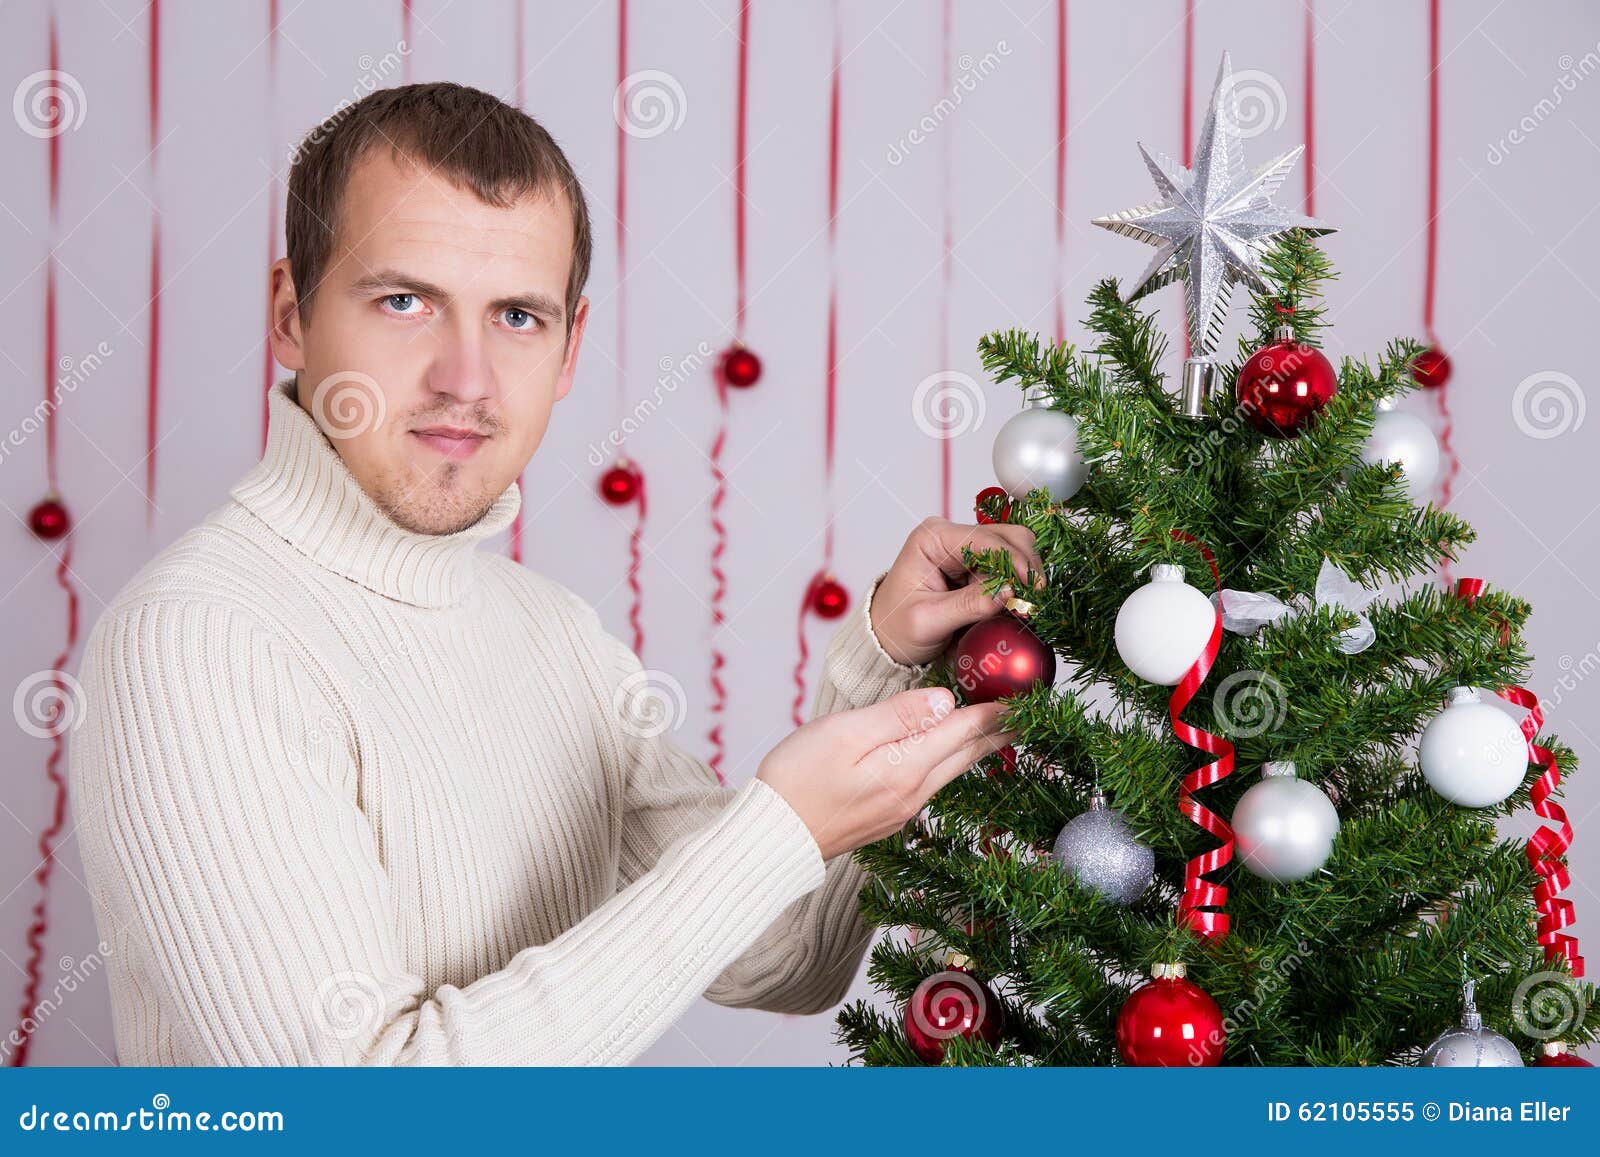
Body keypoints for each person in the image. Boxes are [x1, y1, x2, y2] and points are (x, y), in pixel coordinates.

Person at [68, 83, 1040, 1066]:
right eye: (404, 301)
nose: (466, 377)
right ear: (291, 314)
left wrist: (878, 659)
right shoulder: (198, 639)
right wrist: (776, 824)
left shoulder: (557, 636)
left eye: (517, 317)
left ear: (571, 345)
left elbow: (782, 955)